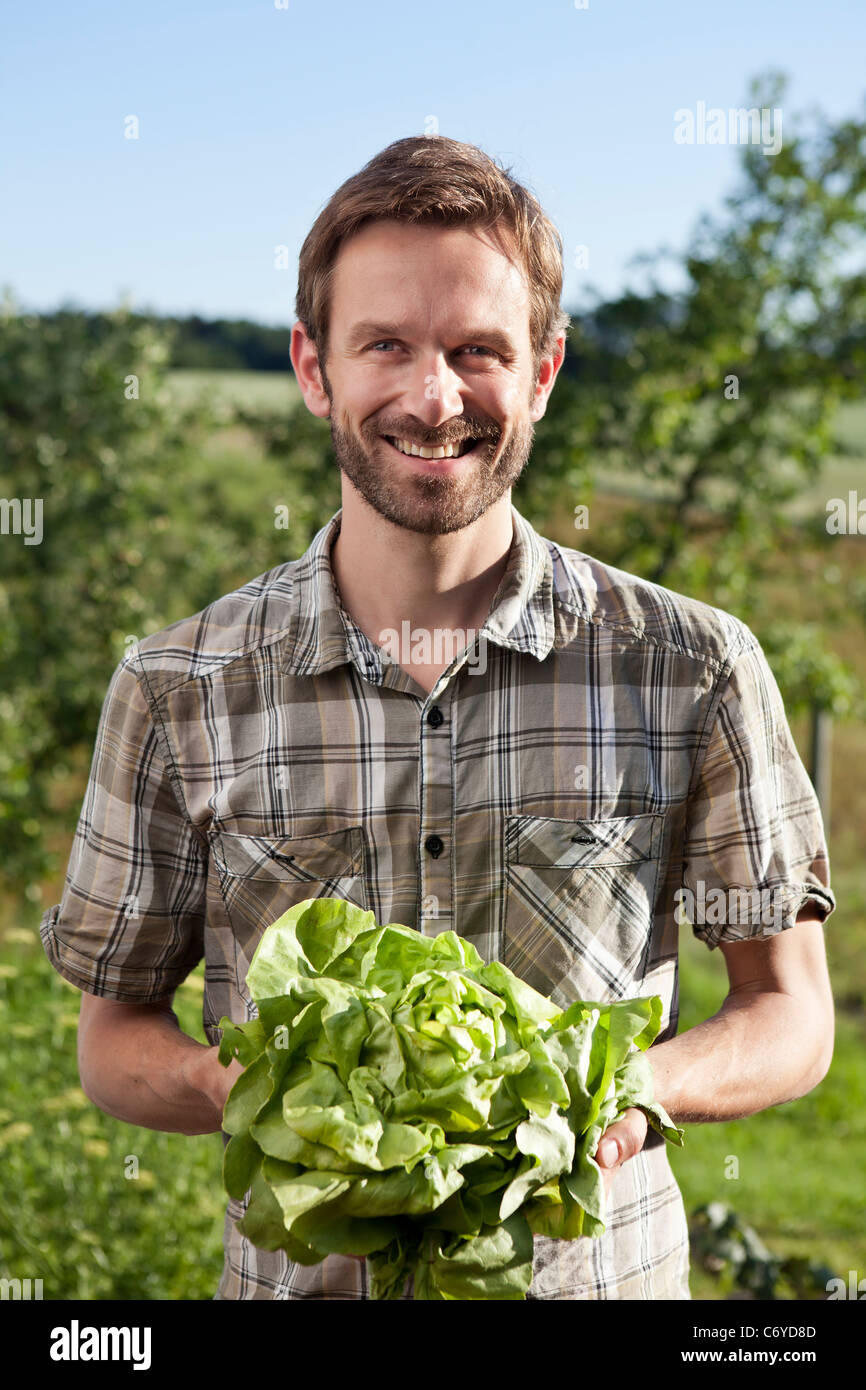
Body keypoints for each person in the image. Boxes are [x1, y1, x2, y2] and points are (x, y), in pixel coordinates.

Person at [41, 134, 836, 1301]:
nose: (432, 396)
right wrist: (240, 1087)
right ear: (314, 369)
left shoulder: (691, 666)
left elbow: (788, 1011)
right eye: (386, 347)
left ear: (544, 371)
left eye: (477, 351)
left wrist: (635, 1092)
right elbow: (113, 1042)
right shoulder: (178, 687)